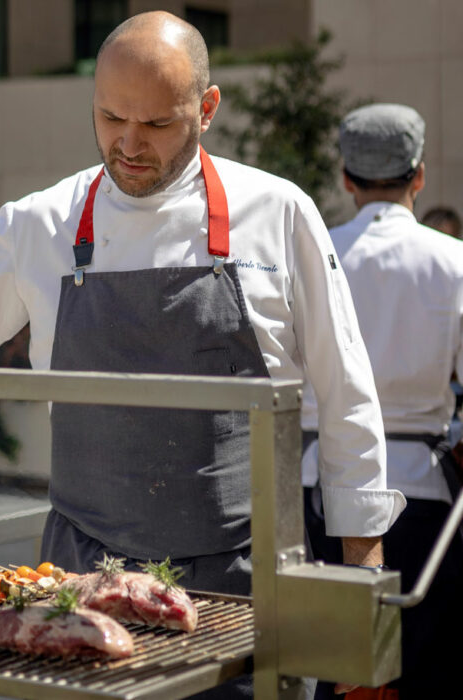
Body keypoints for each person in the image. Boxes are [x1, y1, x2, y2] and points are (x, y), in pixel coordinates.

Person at [0, 12, 404, 698]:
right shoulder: (38, 225)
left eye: (156, 124)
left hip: (248, 584)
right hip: (76, 590)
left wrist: (364, 580)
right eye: (110, 118)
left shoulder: (279, 214)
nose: (128, 144)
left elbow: (346, 398)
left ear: (206, 109)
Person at [301, 103, 463, 699]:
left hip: (317, 491)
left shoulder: (315, 253)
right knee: (427, 670)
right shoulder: (455, 261)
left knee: (326, 670)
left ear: (347, 179)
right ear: (418, 175)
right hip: (422, 495)